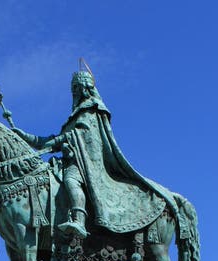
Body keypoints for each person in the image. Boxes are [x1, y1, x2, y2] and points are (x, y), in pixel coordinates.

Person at [11, 70, 172, 240]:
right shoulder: (75, 115)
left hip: (85, 163)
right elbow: (47, 140)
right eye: (73, 88)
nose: (75, 92)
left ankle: (79, 221)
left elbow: (83, 134)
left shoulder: (92, 109)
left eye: (77, 88)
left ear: (85, 88)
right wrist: (23, 135)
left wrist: (61, 141)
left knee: (71, 180)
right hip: (69, 160)